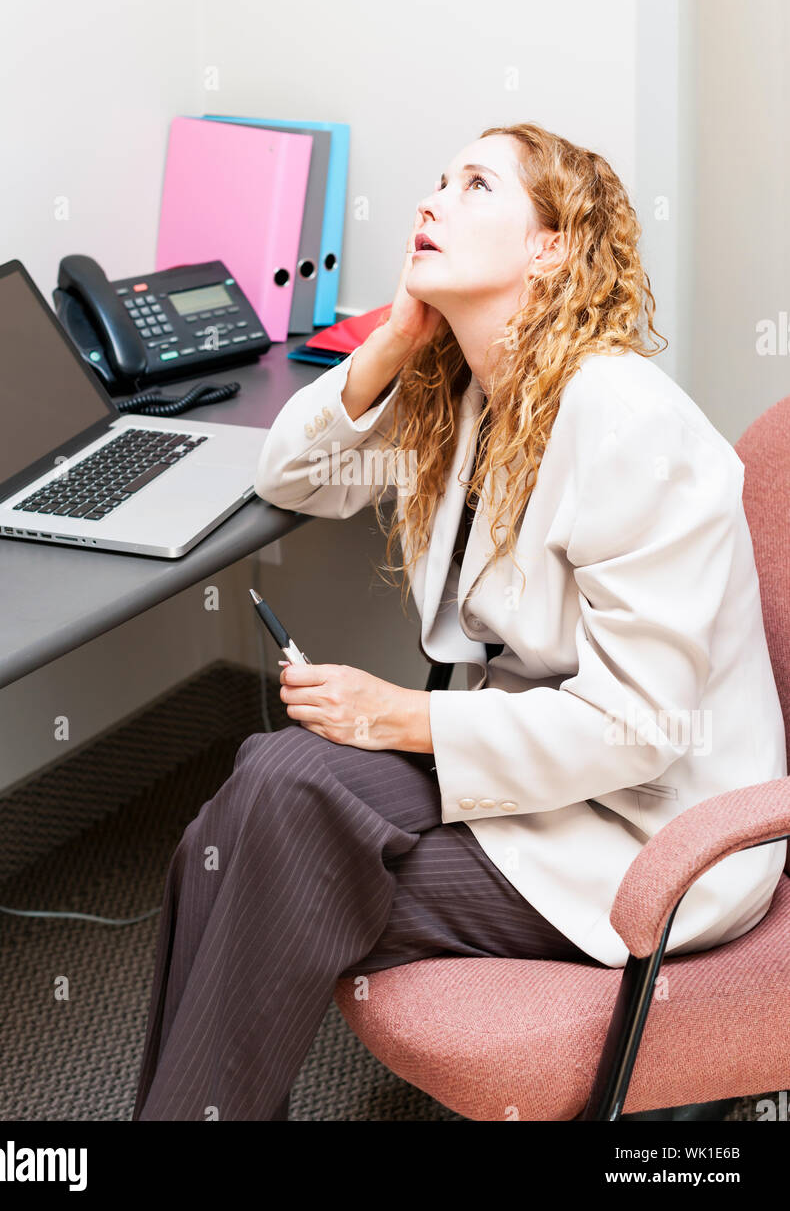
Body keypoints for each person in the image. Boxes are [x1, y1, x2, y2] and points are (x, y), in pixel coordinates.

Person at [131, 122, 786, 1122]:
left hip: (650, 832)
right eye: (437, 180)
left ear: (550, 246)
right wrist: (393, 335)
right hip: (532, 775)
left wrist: (395, 717)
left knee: (275, 842)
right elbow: (292, 473)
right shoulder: (472, 393)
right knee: (269, 782)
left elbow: (638, 728)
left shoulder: (622, 420)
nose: (430, 201)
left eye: (475, 185)